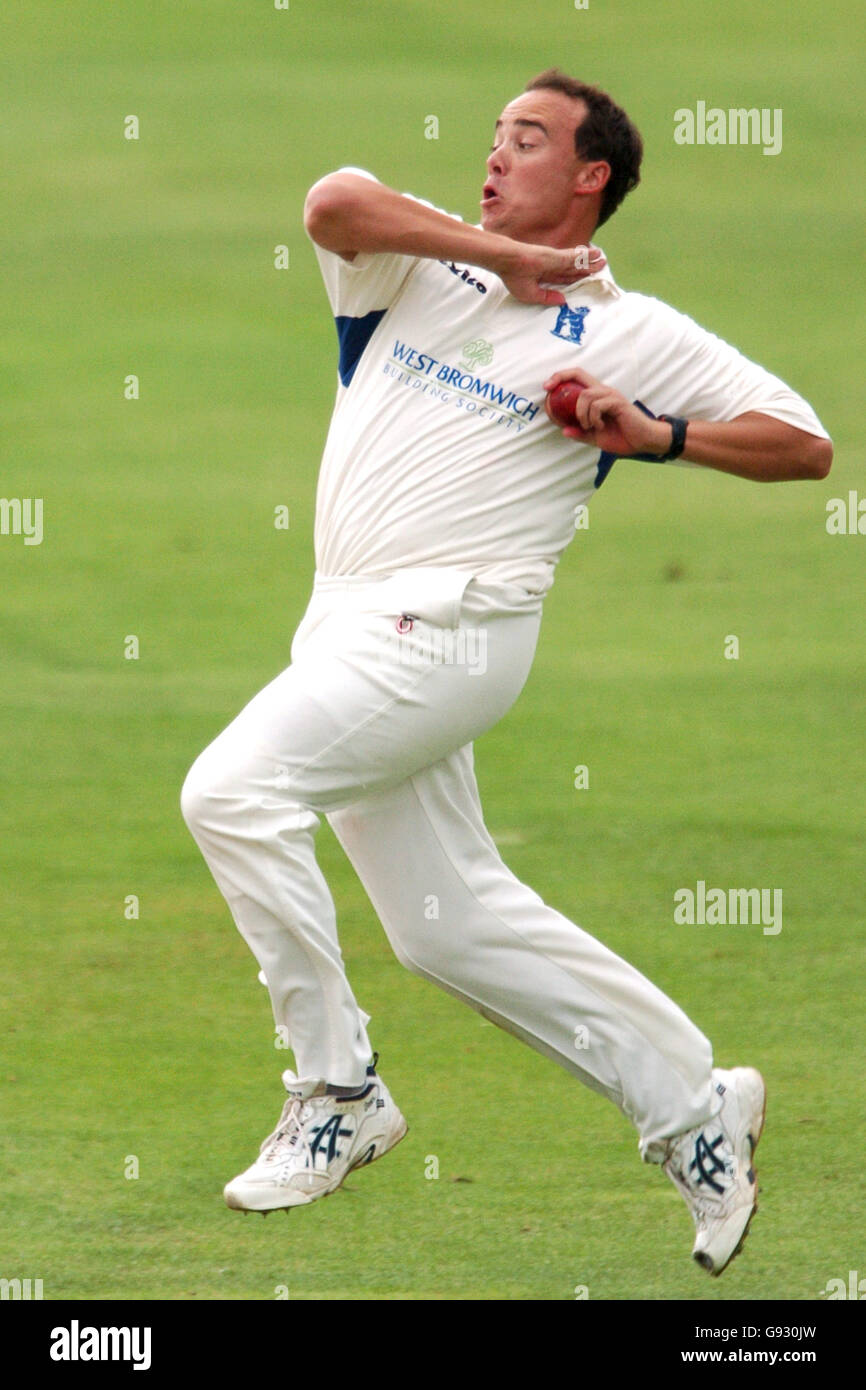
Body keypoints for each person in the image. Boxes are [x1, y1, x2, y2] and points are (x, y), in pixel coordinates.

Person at [180, 69, 831, 1277]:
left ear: (590, 179)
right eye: (492, 136)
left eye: (526, 141)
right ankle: (696, 1106)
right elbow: (333, 202)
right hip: (344, 625)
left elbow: (804, 443)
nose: (494, 154)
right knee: (445, 923)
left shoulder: (637, 331)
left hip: (453, 631)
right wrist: (493, 251)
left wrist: (657, 435)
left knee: (231, 792)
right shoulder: (417, 262)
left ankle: (338, 1089)